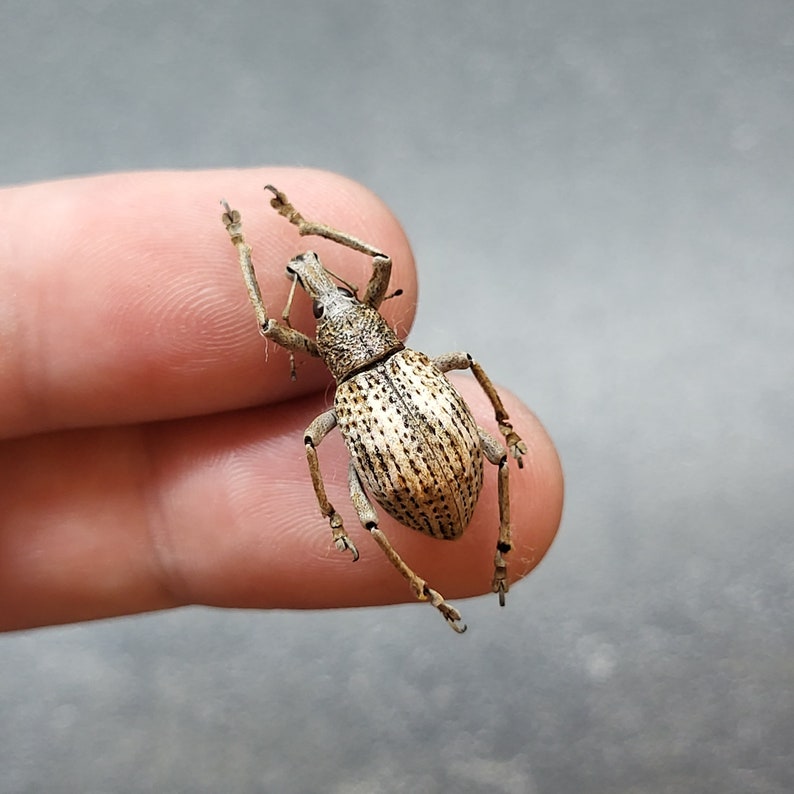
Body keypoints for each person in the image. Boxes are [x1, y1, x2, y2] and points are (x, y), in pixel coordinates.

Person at [0, 169, 563, 632]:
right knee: (486, 449)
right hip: (419, 449)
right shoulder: (406, 370)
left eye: (331, 297)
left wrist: (294, 228)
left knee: (362, 513)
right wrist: (249, 242)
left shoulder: (348, 396)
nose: (322, 288)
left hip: (402, 451)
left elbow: (280, 340)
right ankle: (468, 560)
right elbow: (302, 312)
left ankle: (435, 578)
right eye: (325, 303)